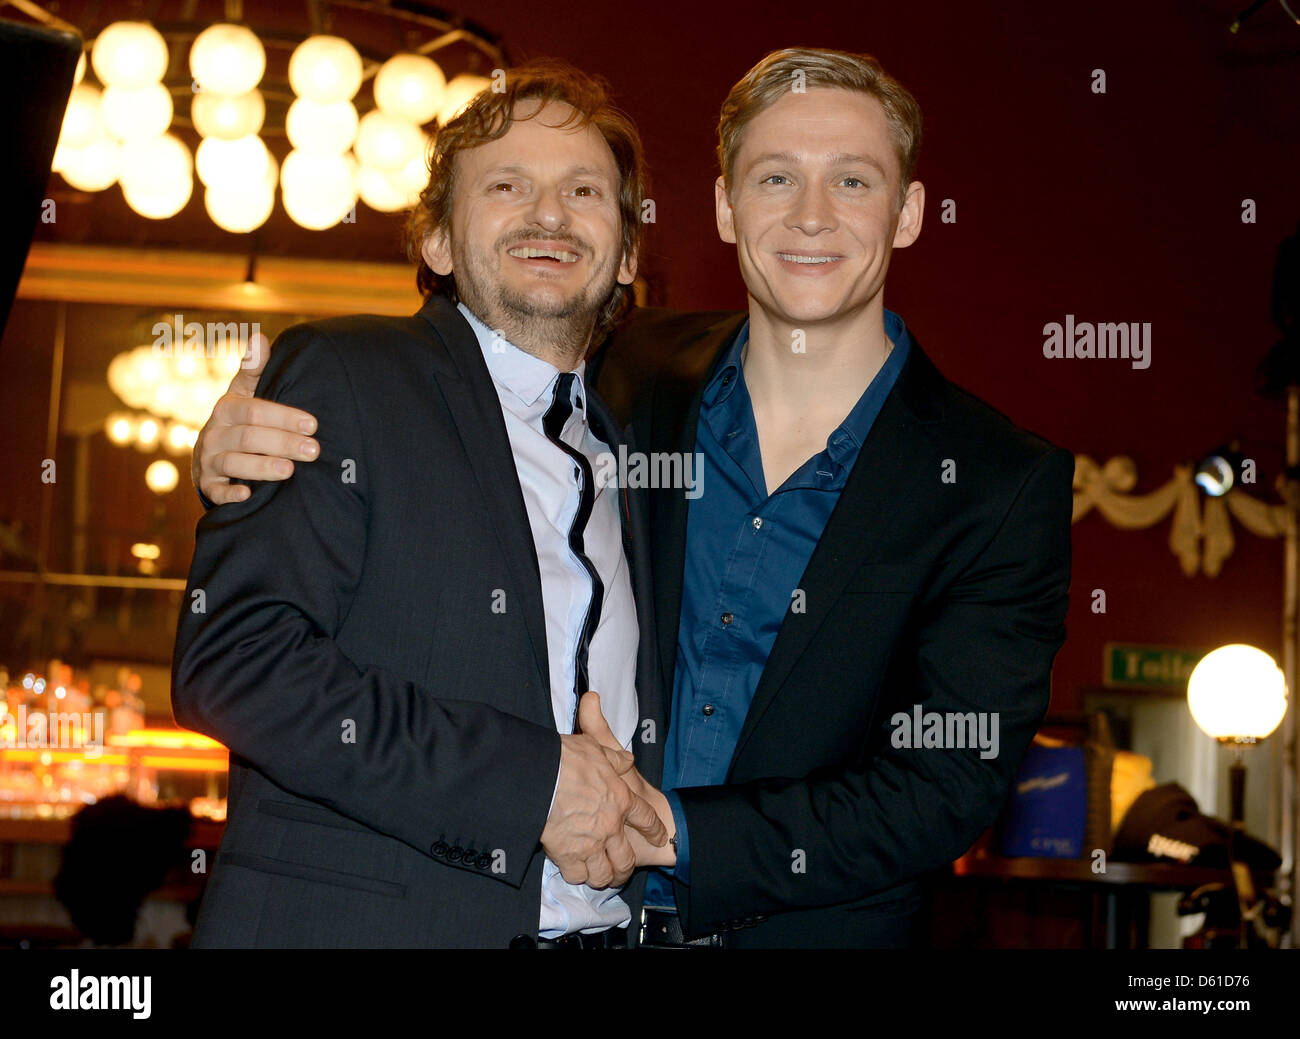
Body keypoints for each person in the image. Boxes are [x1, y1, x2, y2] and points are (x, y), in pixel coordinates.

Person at [192, 48, 1074, 948]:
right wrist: (238, 453)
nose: (812, 216)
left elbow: (943, 784)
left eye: (852, 180)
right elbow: (449, 382)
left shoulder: (999, 481)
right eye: (776, 177)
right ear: (727, 208)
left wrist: (674, 833)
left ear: (910, 212)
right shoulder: (625, 377)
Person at [171, 59, 668, 949]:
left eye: (584, 191)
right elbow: (239, 664)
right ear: (437, 242)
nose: (549, 214)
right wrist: (535, 786)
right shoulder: (346, 374)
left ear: (628, 251)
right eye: (507, 185)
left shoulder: (638, 448)